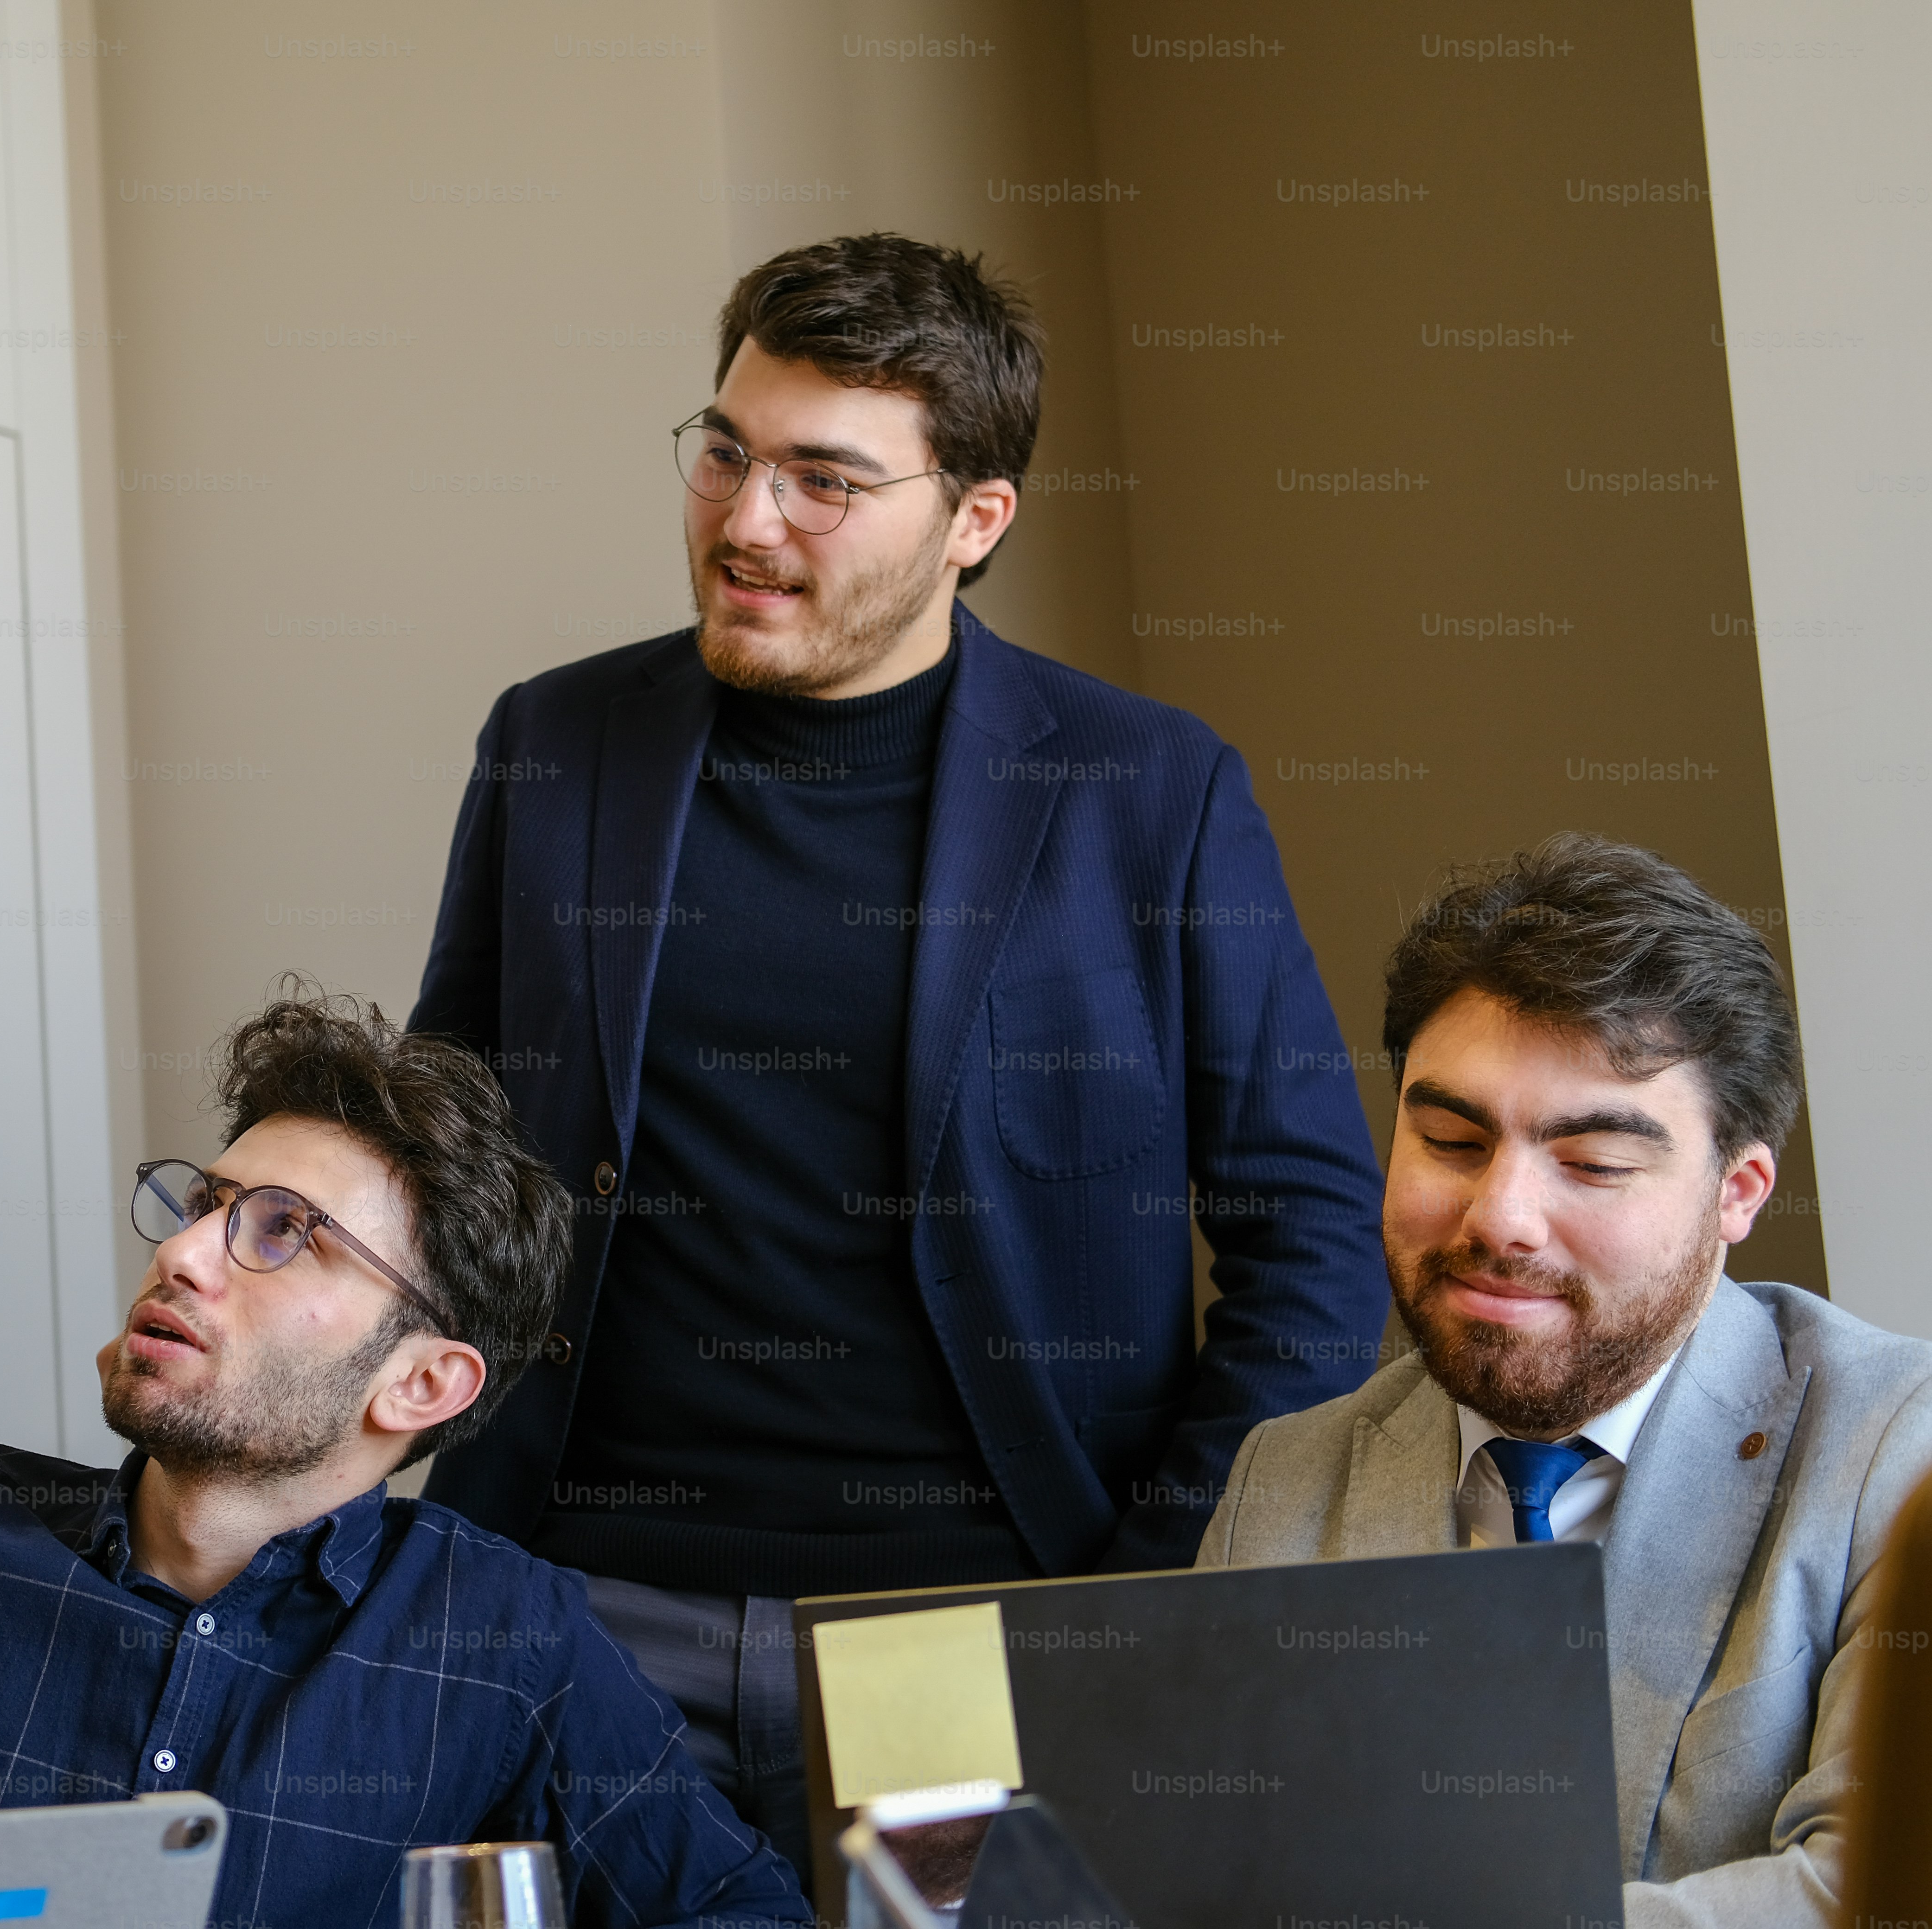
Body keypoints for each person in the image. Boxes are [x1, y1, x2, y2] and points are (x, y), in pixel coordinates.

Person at [406, 230, 1391, 1869]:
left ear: (973, 520)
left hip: (982, 1628)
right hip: (578, 1607)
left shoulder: (1149, 789)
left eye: (823, 480)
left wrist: (1143, 1588)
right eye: (722, 452)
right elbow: (430, 1154)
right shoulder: (556, 741)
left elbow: (1312, 1240)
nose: (745, 520)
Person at [0, 993, 811, 1929]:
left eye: (285, 1235)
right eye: (207, 1204)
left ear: (423, 1381)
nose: (189, 1254)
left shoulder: (508, 1640)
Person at [1198, 834, 1932, 1928]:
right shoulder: (1284, 1478)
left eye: (1591, 1164)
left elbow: (1869, 1893)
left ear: (1738, 1192)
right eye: (1450, 1139)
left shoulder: (1895, 1448)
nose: (1499, 1217)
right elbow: (1197, 1865)